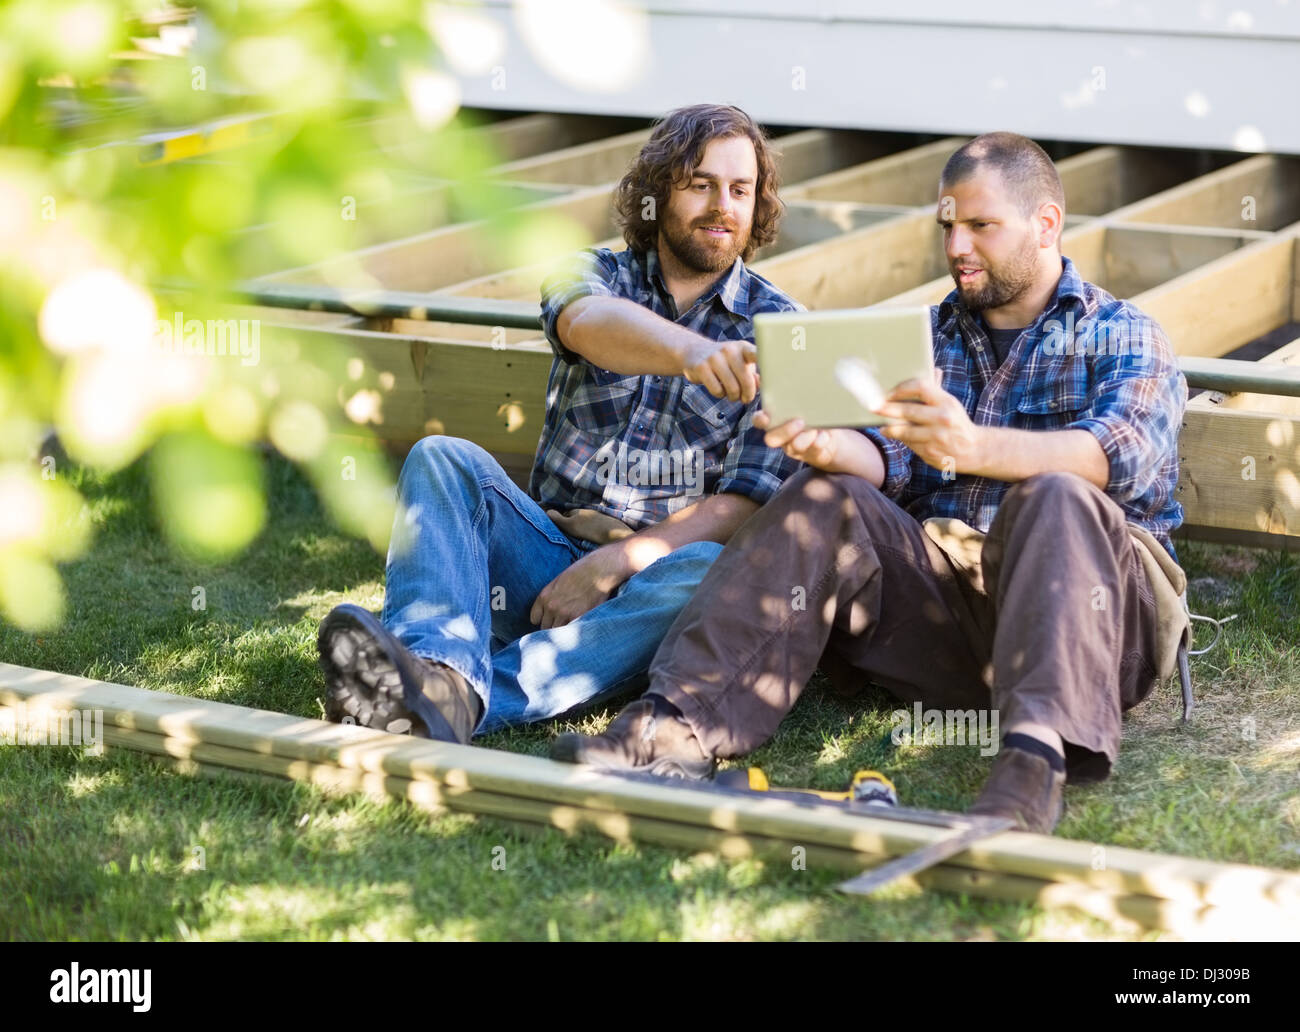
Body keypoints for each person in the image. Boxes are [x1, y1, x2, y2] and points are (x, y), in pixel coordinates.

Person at [552, 132, 1191, 832]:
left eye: (981, 226)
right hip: (958, 628)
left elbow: (1115, 455)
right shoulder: (927, 337)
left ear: (1045, 225)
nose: (957, 247)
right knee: (823, 494)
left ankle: (1033, 763)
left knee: (1057, 493)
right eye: (948, 226)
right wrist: (825, 445)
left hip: (1093, 628)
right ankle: (673, 728)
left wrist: (973, 446)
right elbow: (888, 458)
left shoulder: (1121, 334)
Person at [317, 104, 802, 745]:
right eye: (700, 184)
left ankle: (447, 694)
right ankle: (434, 663)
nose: (722, 206)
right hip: (542, 556)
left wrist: (614, 562)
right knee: (440, 456)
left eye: (740, 189)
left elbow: (745, 504)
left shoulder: (780, 329)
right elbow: (584, 322)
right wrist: (692, 353)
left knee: (709, 570)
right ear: (658, 190)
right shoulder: (594, 273)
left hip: (643, 594)